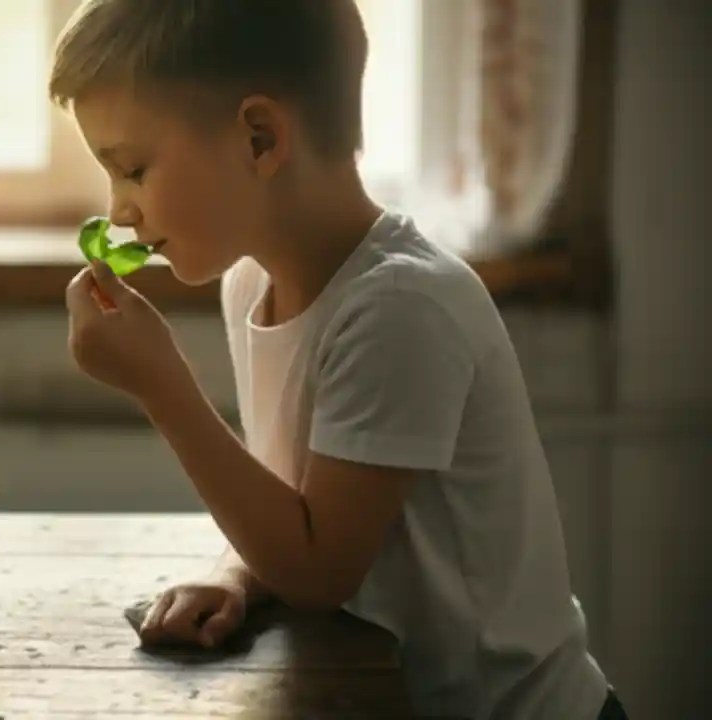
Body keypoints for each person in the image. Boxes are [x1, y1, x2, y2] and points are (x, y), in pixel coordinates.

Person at [49, 1, 624, 718]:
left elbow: (320, 568)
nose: (119, 211)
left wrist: (163, 386)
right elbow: (298, 506)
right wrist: (237, 574)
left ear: (259, 137)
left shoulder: (400, 307)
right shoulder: (252, 282)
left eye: (132, 169)